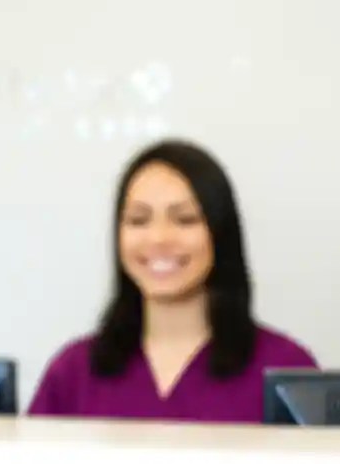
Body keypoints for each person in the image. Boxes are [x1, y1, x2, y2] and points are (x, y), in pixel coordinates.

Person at [28, 139, 317, 422]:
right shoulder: (73, 372)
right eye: (139, 220)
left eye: (185, 219)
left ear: (220, 233)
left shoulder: (285, 369)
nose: (159, 238)